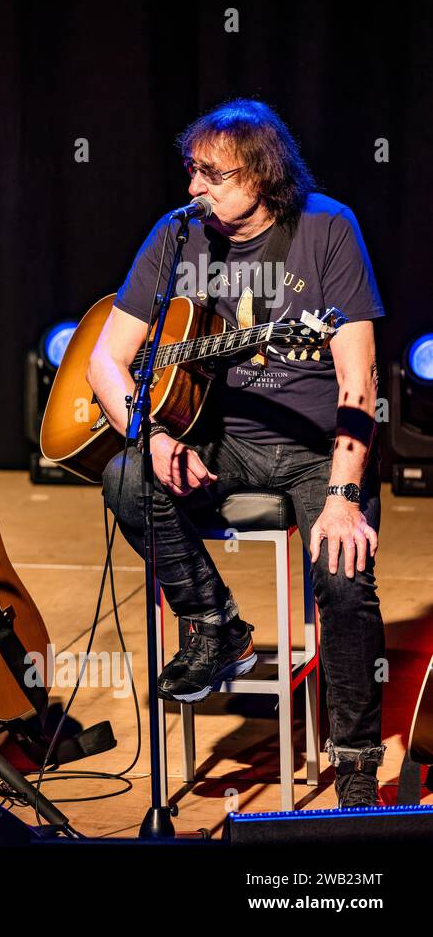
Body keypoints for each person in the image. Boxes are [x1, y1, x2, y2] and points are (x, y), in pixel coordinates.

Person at [89, 99, 386, 808]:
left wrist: (344, 497)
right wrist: (155, 437)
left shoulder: (327, 228)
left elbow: (359, 378)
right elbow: (106, 358)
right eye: (191, 170)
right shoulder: (177, 237)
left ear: (261, 173)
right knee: (125, 477)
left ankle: (353, 774)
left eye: (212, 175)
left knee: (344, 583)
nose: (194, 188)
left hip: (322, 448)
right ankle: (217, 623)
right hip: (227, 443)